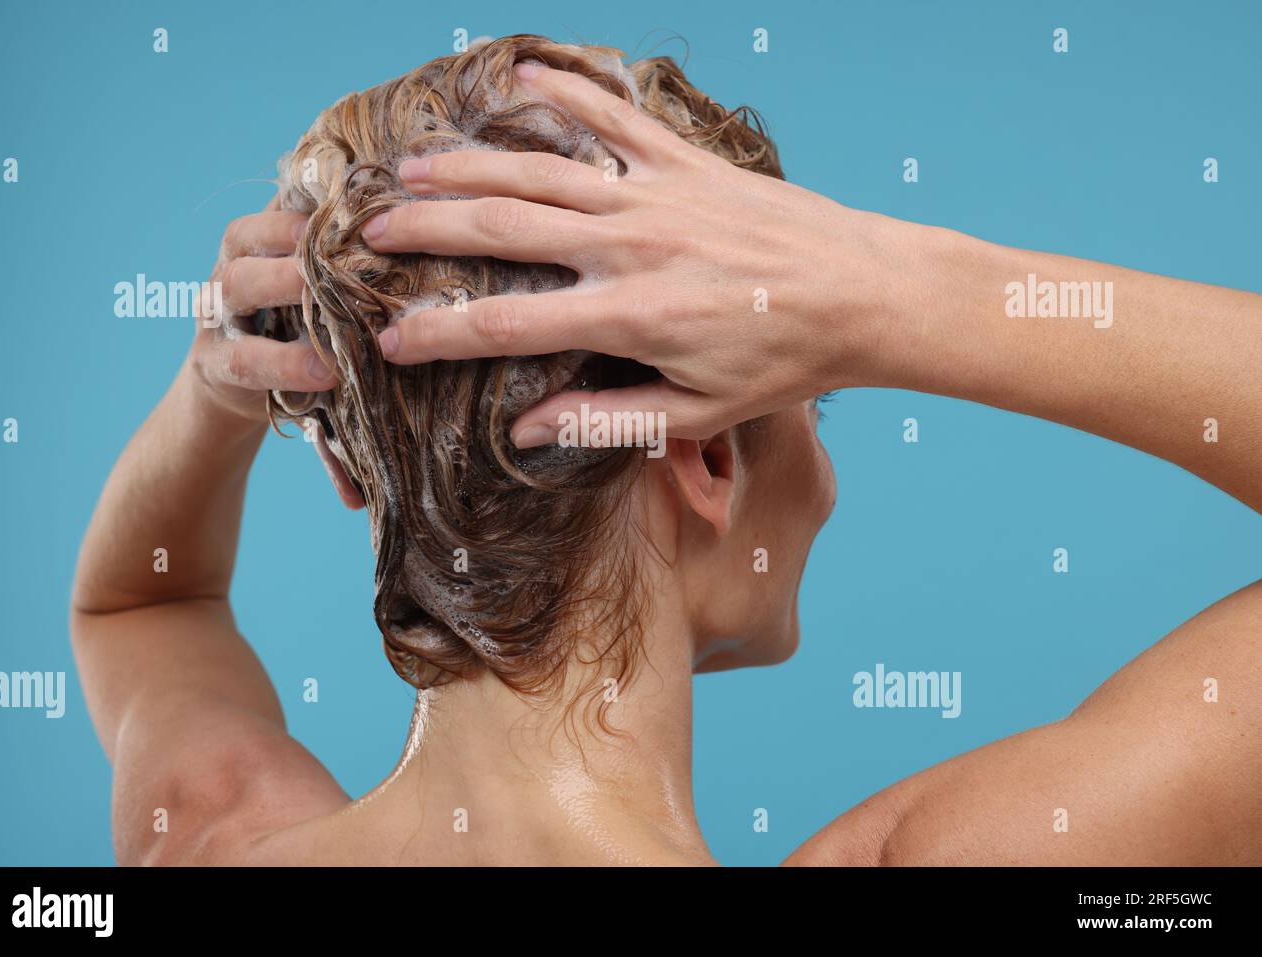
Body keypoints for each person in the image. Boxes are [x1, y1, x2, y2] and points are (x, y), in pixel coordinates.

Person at [71, 36, 1261, 866]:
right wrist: (889, 296)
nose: (831, 484)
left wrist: (217, 389)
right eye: (817, 401)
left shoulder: (210, 834)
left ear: (345, 472)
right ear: (705, 462)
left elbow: (137, 608)